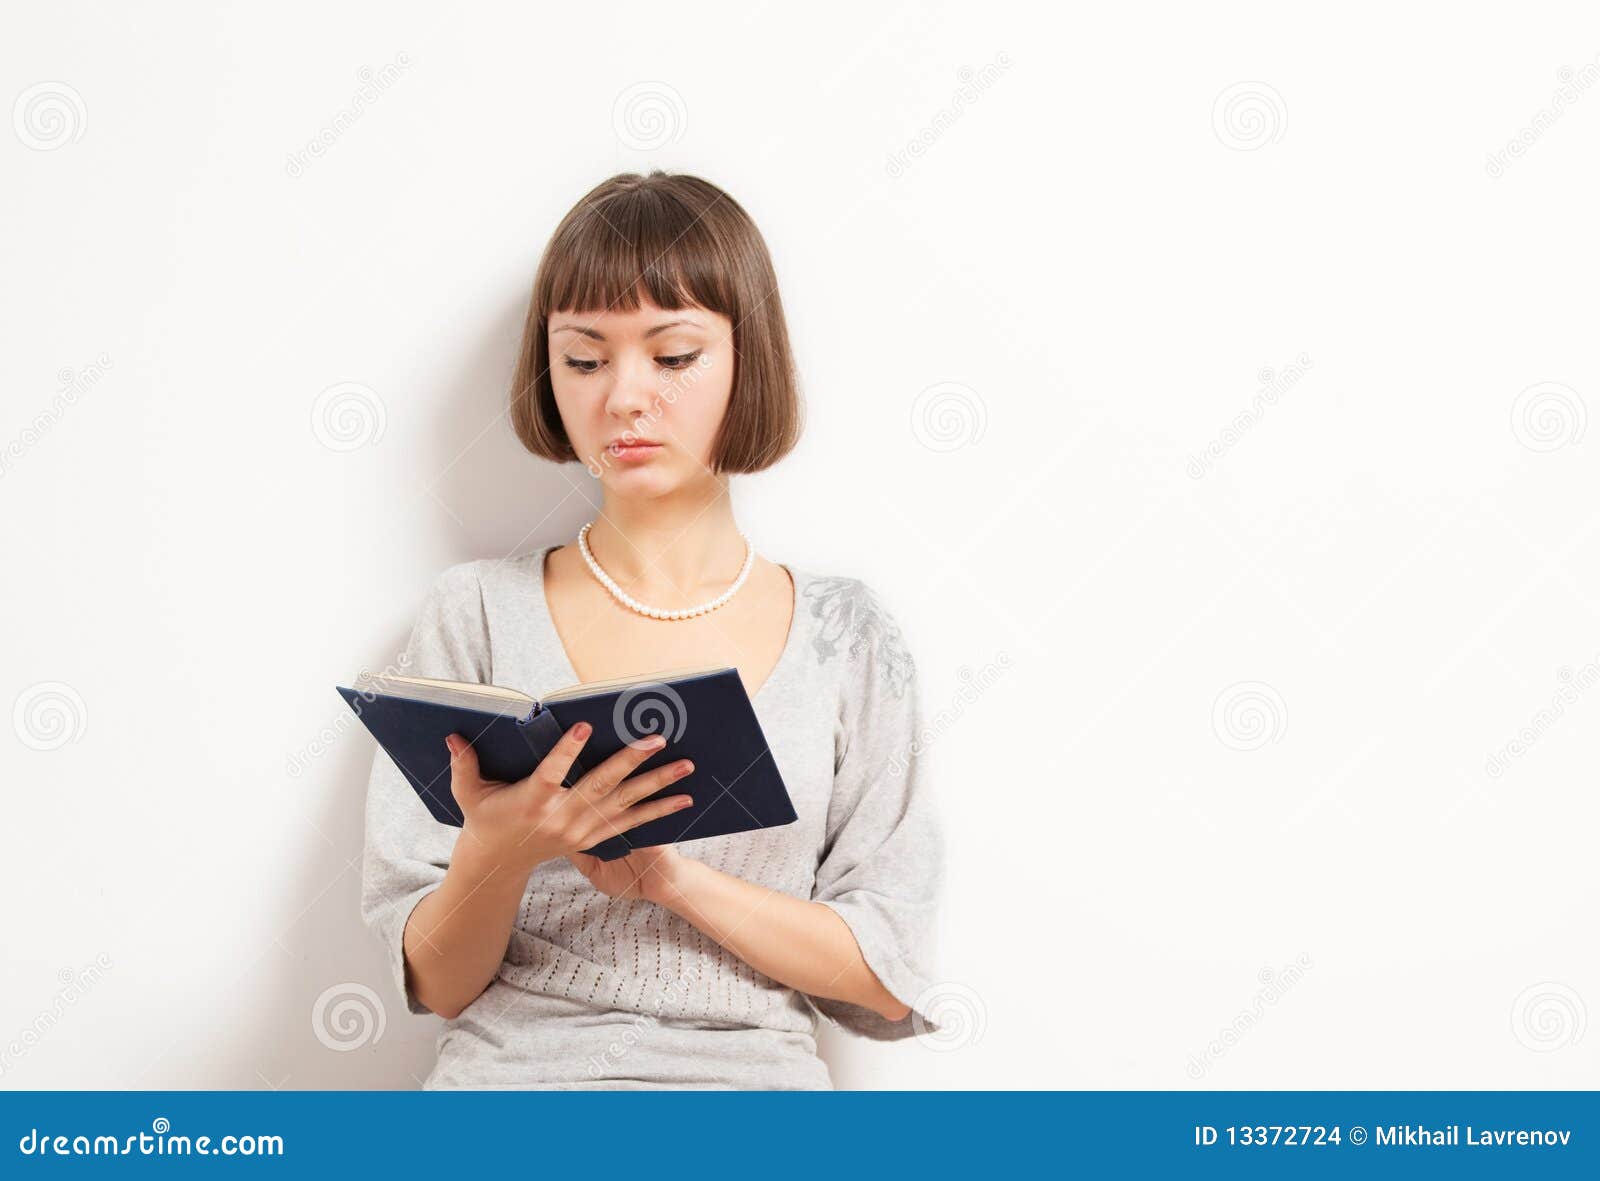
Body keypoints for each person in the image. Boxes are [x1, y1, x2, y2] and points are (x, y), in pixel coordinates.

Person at [359, 170, 943, 1088]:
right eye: (584, 360)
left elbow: (884, 980)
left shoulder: (846, 631)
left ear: (750, 362)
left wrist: (671, 880)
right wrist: (496, 853)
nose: (625, 398)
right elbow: (436, 981)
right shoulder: (472, 612)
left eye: (673, 356)